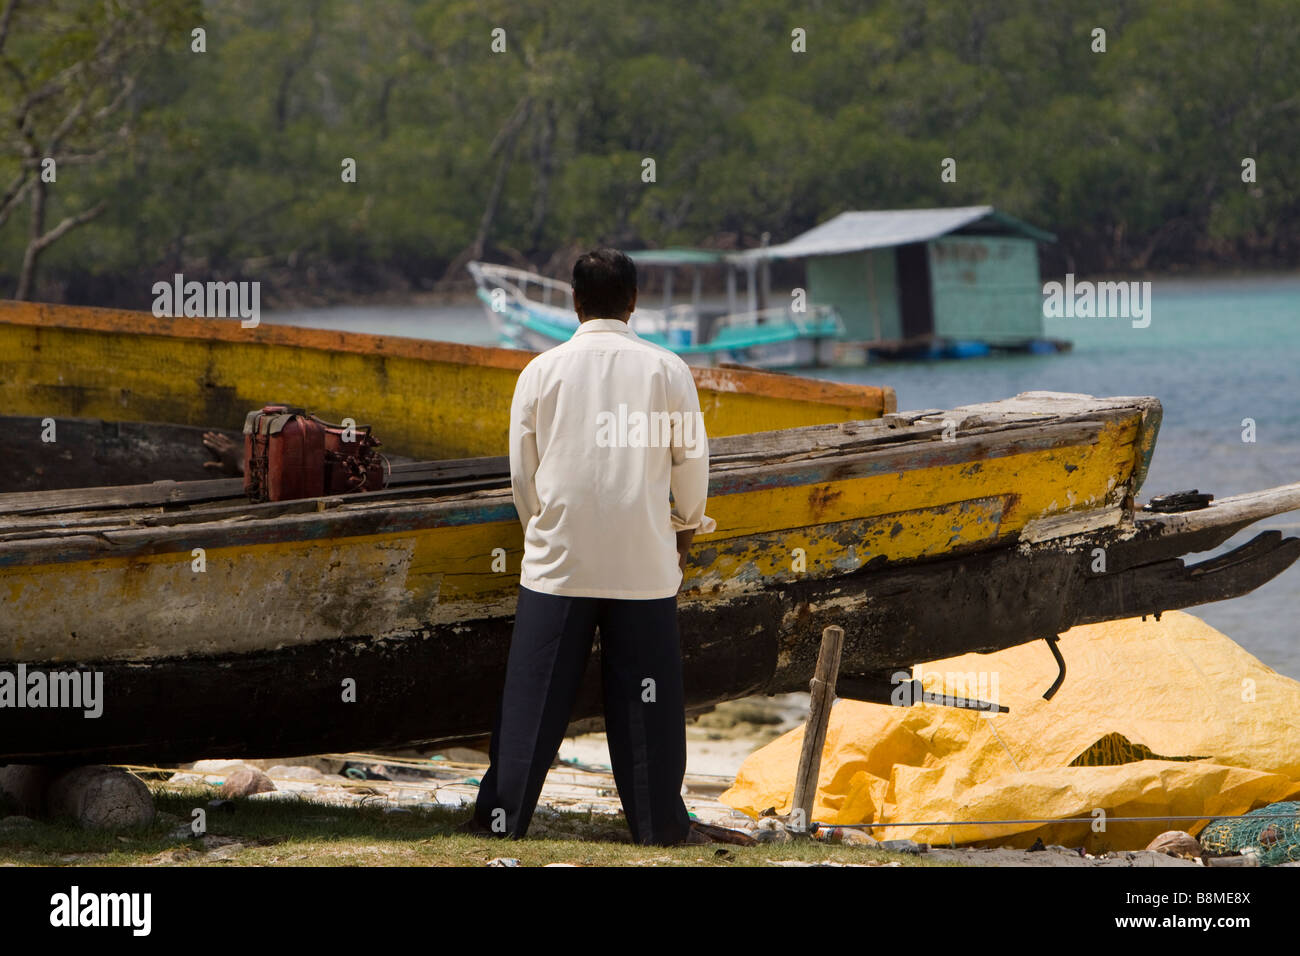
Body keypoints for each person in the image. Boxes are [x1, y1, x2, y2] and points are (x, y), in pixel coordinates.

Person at [464, 247, 739, 846]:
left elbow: (522, 475)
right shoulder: (668, 369)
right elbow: (691, 464)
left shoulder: (540, 371)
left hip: (558, 561)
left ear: (574, 301)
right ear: (634, 302)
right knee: (649, 707)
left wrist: (544, 527)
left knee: (532, 700)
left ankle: (501, 820)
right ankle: (659, 826)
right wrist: (685, 529)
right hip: (643, 559)